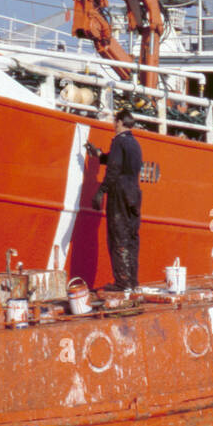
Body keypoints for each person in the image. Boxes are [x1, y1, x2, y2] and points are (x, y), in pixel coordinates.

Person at [86, 108, 142, 290]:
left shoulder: (118, 141)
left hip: (119, 193)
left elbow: (114, 168)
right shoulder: (134, 143)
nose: (113, 125)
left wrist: (101, 191)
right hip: (134, 193)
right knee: (131, 237)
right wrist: (99, 155)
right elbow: (117, 161)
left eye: (114, 122)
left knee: (118, 237)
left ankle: (122, 283)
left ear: (119, 122)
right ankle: (132, 281)